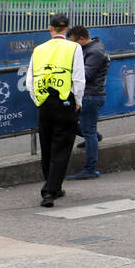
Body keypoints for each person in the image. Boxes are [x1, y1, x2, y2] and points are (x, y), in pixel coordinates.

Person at [24, 14, 85, 207]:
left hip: (44, 103)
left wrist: (38, 100)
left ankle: (53, 186)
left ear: (50, 28)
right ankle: (50, 191)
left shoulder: (39, 49)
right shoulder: (74, 47)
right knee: (62, 148)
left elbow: (29, 81)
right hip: (65, 101)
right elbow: (78, 77)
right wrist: (78, 100)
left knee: (47, 146)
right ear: (67, 29)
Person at [66, 26, 110, 180]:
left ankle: (90, 169)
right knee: (74, 124)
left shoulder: (94, 52)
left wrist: (66, 70)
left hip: (91, 95)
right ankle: (95, 138)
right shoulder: (92, 48)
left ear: (82, 39)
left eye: (73, 43)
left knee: (88, 131)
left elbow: (86, 74)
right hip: (90, 95)